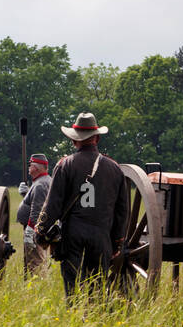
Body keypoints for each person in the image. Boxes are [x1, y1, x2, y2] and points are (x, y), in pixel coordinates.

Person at [38, 113, 130, 299]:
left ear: (74, 140)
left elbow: (53, 204)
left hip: (72, 234)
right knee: (97, 290)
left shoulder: (65, 165)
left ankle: (74, 320)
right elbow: (122, 211)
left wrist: (42, 231)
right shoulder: (114, 168)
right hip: (102, 236)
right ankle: (94, 322)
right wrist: (117, 242)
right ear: (97, 138)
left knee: (72, 290)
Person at [16, 153, 52, 277]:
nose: (29, 169)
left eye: (30, 165)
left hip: (35, 229)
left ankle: (37, 288)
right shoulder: (41, 182)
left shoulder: (41, 185)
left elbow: (37, 211)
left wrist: (30, 230)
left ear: (36, 168)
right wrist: (26, 194)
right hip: (37, 228)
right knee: (32, 261)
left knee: (36, 262)